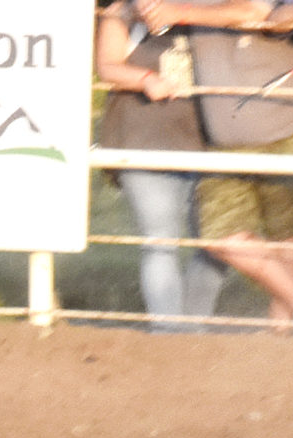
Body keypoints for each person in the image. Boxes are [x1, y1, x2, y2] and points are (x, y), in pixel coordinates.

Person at [139, 0, 293, 325]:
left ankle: (285, 347)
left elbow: (259, 13)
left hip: (287, 127)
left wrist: (179, 13)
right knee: (221, 236)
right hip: (224, 140)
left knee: (289, 240)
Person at [97, 0, 228, 330]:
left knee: (218, 242)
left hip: (201, 140)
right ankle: (169, 333)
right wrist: (145, 79)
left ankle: (191, 329)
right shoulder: (123, 13)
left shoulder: (206, 10)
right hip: (142, 139)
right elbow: (107, 66)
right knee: (161, 241)